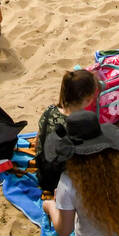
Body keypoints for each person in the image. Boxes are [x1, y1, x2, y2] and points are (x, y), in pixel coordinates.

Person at [36, 68, 99, 203]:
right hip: (62, 183)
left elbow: (39, 140)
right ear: (88, 99)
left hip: (43, 174)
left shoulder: (49, 111)